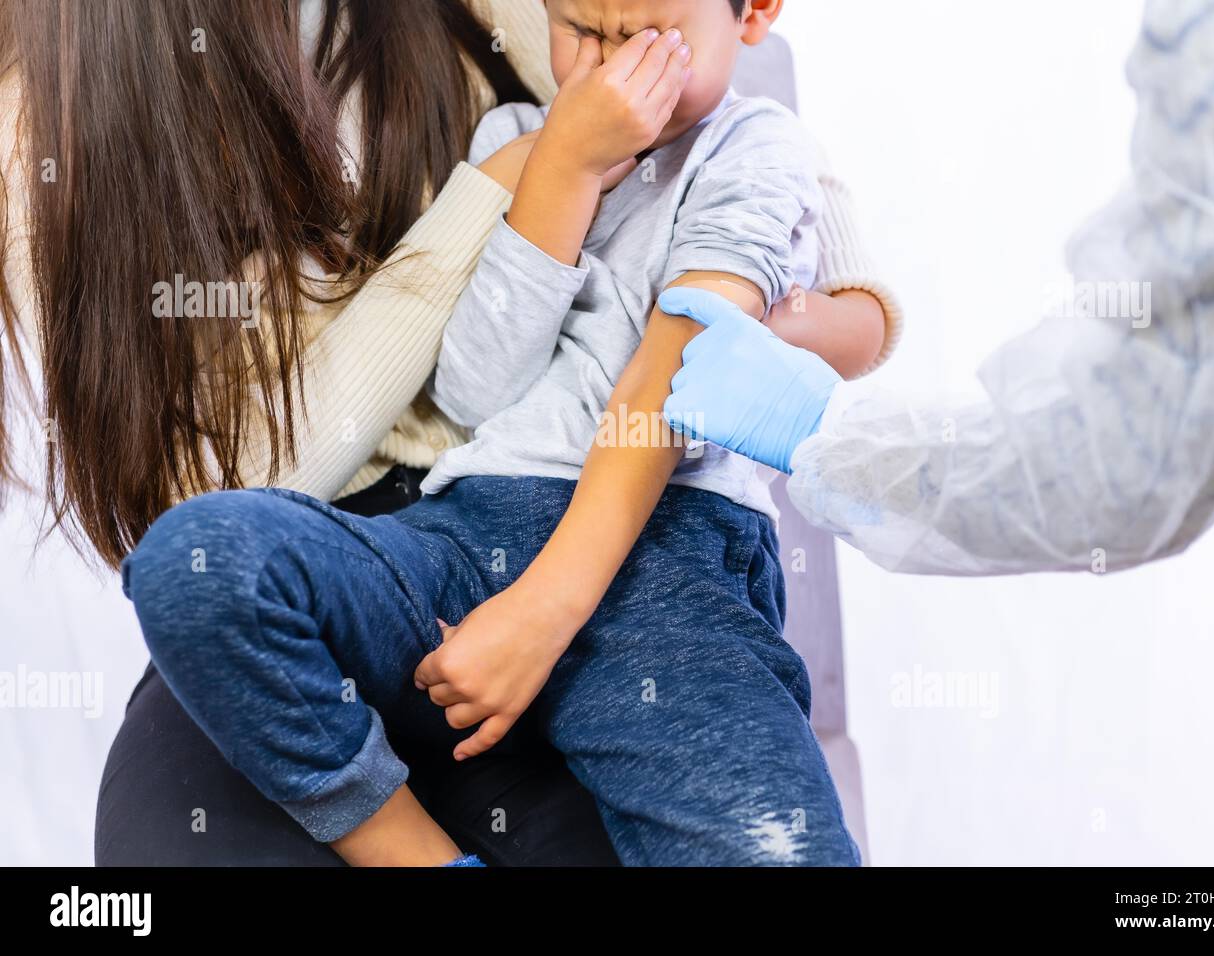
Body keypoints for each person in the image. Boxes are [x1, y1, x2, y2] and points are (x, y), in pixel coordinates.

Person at [0, 1, 893, 865]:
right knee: (198, 570)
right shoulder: (63, 82)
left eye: (634, 36)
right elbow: (457, 395)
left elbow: (778, 324)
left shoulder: (726, 123)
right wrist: (535, 177)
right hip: (421, 531)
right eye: (582, 30)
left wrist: (748, 325)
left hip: (653, 539)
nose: (611, 62)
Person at [660, 0, 1214, 576]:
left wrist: (812, 418)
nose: (623, 65)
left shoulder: (769, 143)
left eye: (655, 33)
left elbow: (1132, 459)